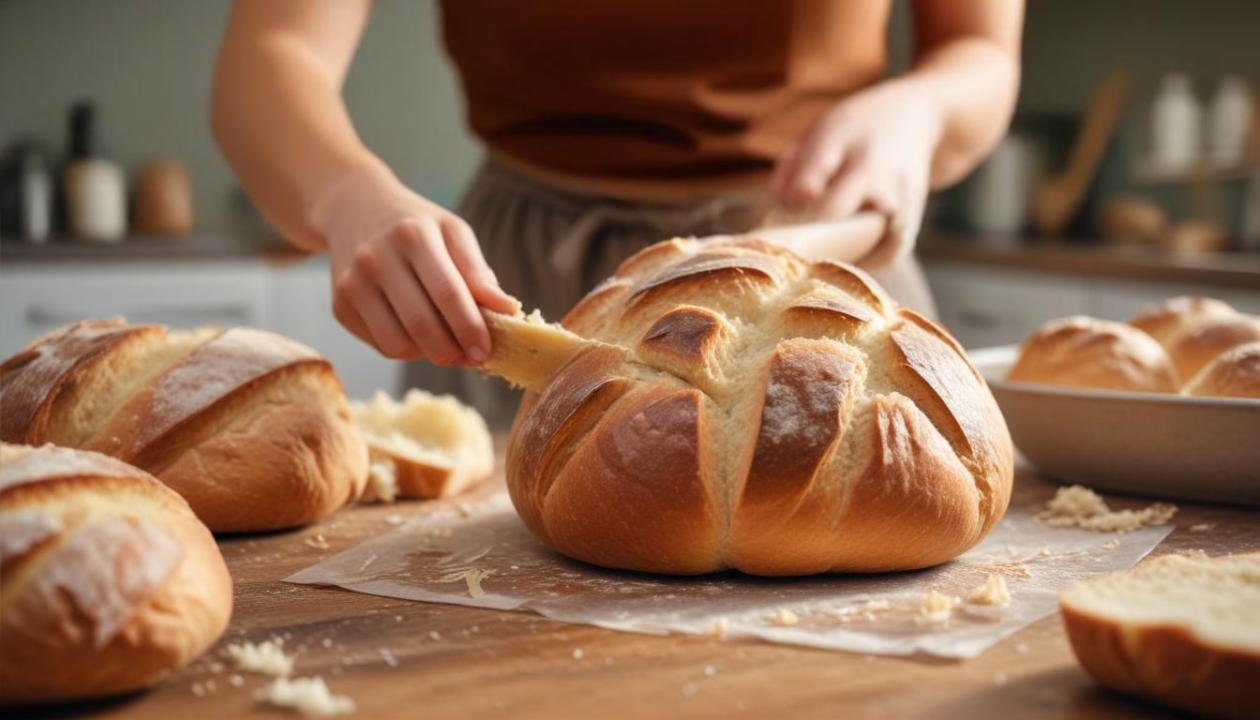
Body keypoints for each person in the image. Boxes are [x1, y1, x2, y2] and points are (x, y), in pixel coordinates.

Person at [212, 1, 1023, 425]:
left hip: (819, 266)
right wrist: (345, 193)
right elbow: (271, 55)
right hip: (510, 279)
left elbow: (980, 52)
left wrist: (921, 110)